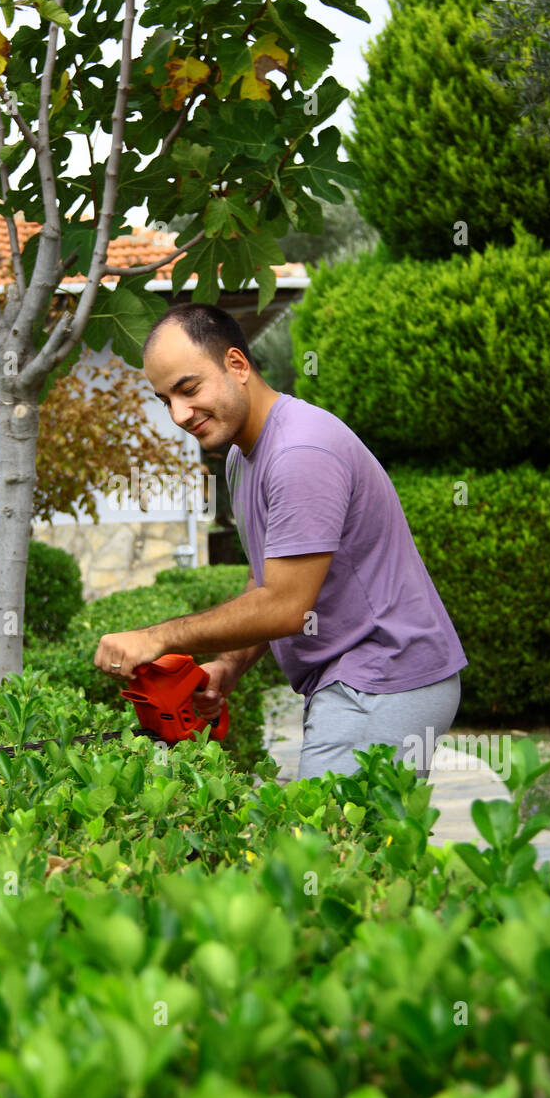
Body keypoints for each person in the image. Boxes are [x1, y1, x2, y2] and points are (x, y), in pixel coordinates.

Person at [93, 302, 467, 781]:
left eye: (188, 389)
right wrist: (228, 667)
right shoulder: (242, 457)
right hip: (356, 677)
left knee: (326, 845)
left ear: (237, 364)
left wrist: (155, 637)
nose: (180, 414)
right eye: (166, 400)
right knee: (356, 845)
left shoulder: (299, 452)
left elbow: (287, 606)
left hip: (383, 676)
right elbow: (265, 581)